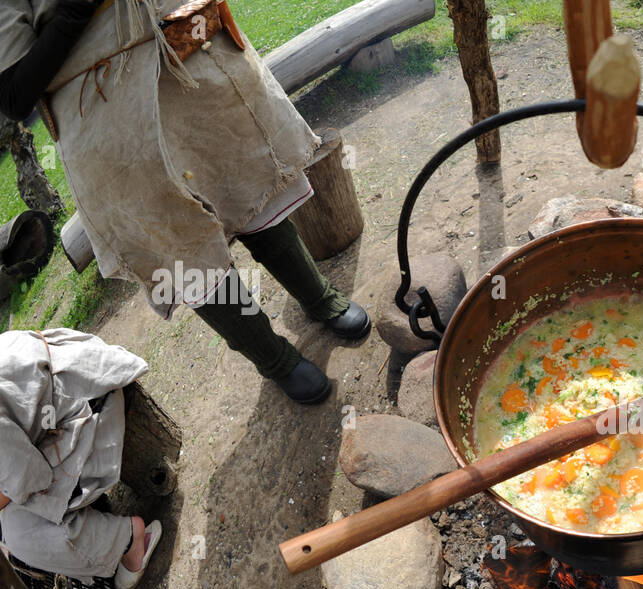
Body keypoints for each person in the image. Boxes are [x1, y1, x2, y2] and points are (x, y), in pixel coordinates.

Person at [0, 0, 371, 405]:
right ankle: (275, 359)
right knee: (182, 251)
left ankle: (317, 298)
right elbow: (13, 96)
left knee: (250, 187)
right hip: (108, 122)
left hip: (188, 56)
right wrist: (75, 11)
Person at [0, 328, 163, 589]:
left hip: (91, 404)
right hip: (81, 376)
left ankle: (129, 539)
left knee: (17, 532)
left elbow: (31, 476)